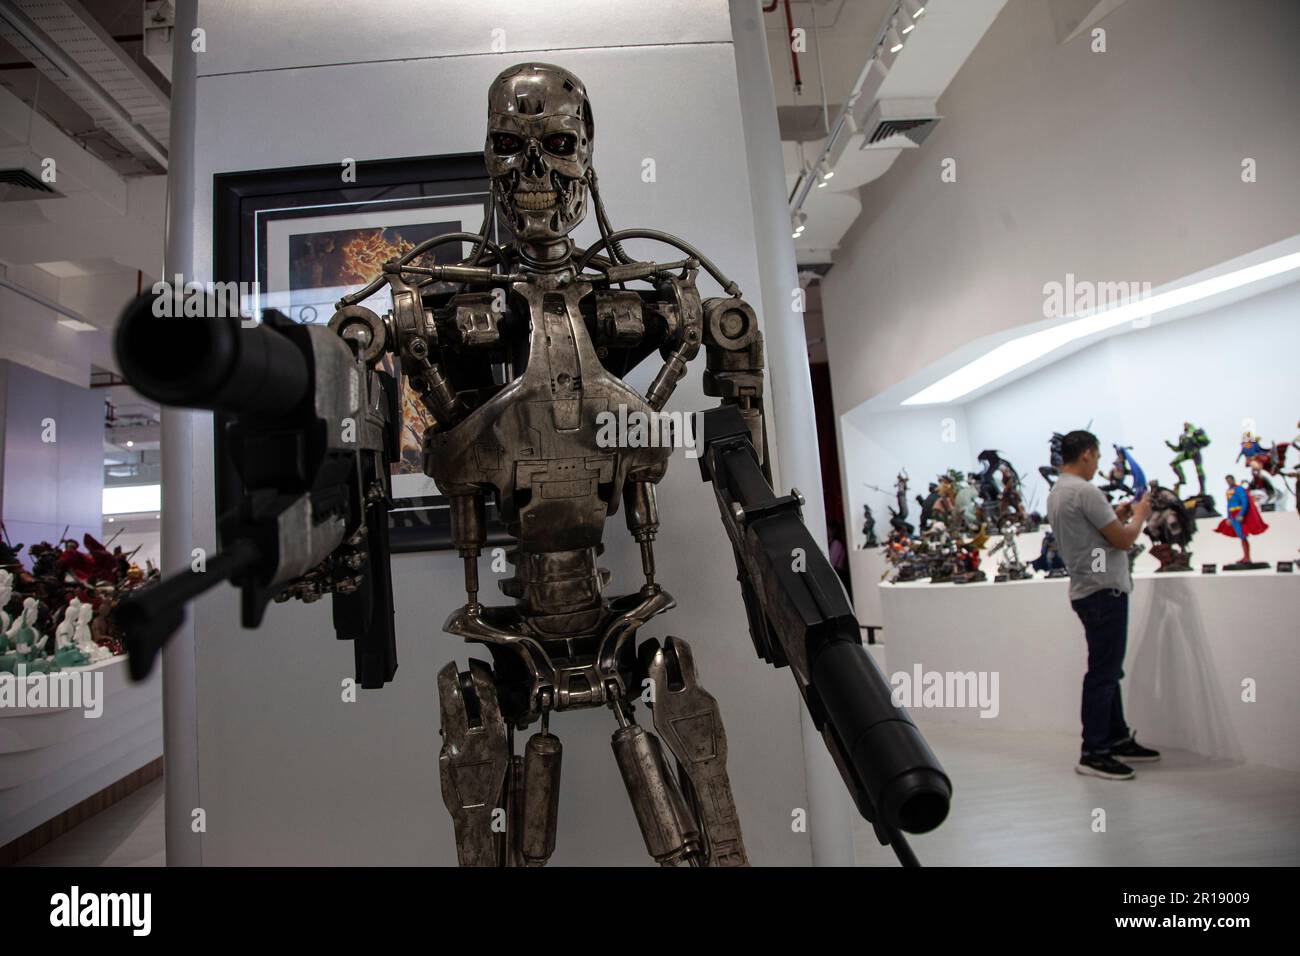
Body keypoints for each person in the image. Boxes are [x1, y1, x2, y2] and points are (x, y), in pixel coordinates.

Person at [1046, 430, 1161, 780]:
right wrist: (1139, 514)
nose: (1097, 465)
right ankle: (1094, 750)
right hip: (1103, 590)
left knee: (1107, 669)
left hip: (1088, 588)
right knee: (1103, 673)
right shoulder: (1085, 491)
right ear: (1085, 454)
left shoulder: (1059, 492)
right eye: (1095, 457)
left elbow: (1094, 533)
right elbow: (1123, 540)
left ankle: (1115, 737)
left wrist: (1119, 512)